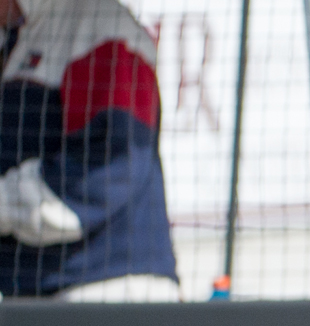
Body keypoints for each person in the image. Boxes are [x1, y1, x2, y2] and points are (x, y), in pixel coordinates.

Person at [0, 0, 179, 300]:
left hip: (107, 293)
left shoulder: (102, 26)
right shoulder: (16, 39)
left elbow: (108, 171)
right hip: (31, 298)